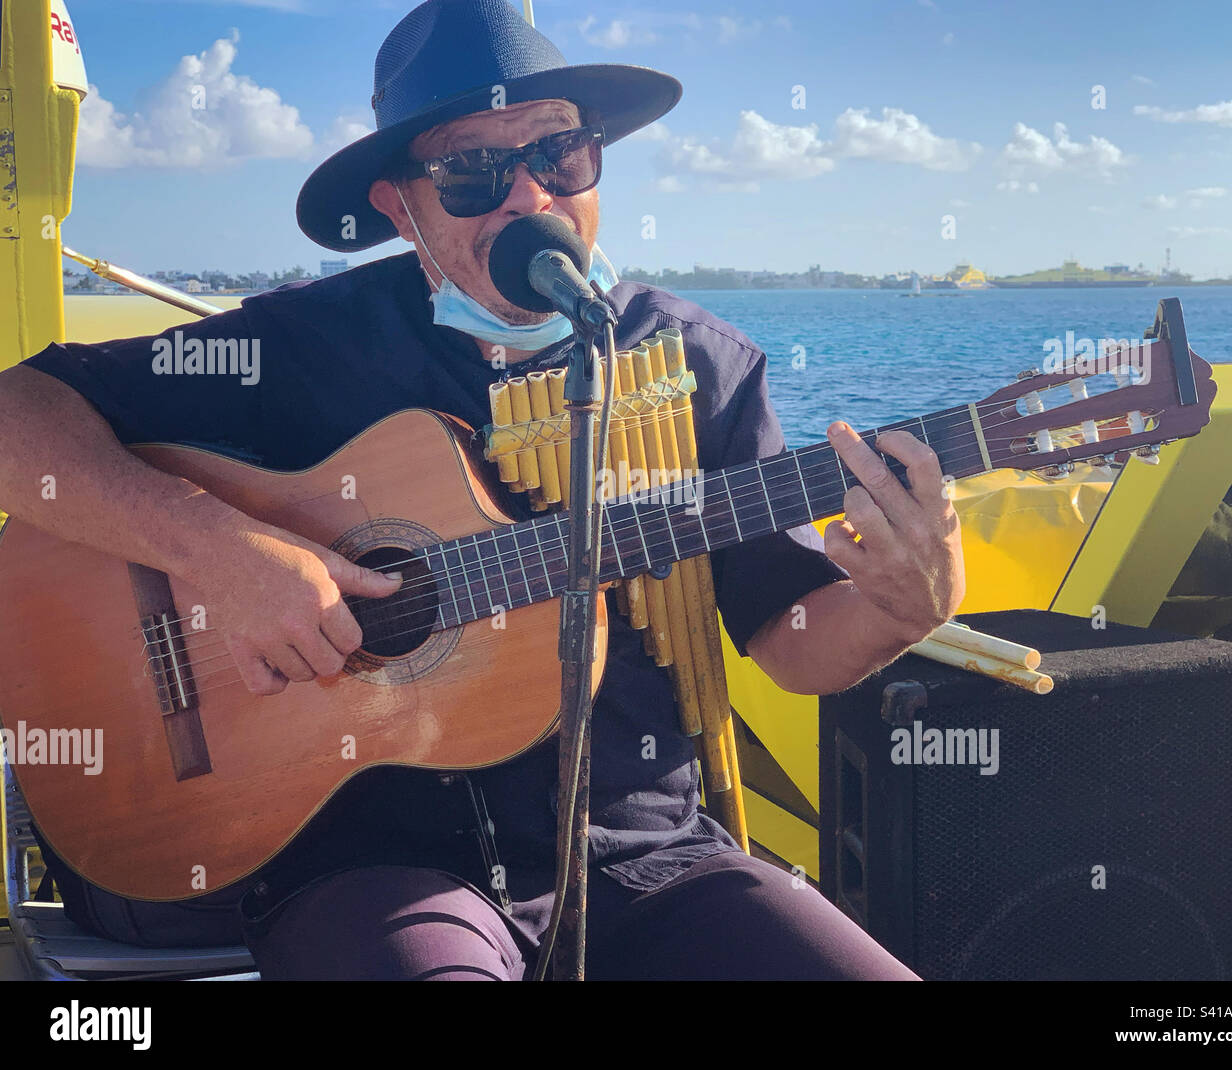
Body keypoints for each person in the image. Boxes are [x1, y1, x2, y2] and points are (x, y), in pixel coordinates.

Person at [0, 0, 962, 980]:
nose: (528, 198)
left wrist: (898, 608)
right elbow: (14, 414)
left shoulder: (696, 365)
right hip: (379, 873)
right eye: (471, 171)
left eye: (560, 155)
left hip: (650, 858)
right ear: (397, 205)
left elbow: (788, 644)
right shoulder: (301, 346)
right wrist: (221, 551)